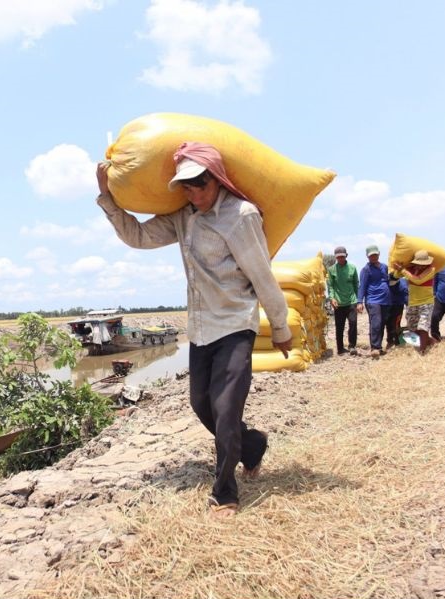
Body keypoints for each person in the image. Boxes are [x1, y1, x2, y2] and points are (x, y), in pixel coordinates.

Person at [95, 142, 293, 518]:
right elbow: (138, 236)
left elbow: (261, 274)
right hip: (201, 329)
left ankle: (225, 493)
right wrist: (107, 197)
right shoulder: (183, 216)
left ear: (217, 179)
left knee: (226, 408)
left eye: (200, 184)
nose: (194, 193)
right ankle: (252, 446)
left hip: (235, 324)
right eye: (186, 187)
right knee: (201, 404)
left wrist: (280, 326)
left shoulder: (241, 216)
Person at [391, 250, 438, 354]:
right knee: (413, 328)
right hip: (413, 302)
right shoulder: (410, 269)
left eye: (423, 264)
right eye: (418, 264)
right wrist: (399, 268)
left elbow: (418, 280)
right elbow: (396, 275)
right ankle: (433, 342)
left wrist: (402, 270)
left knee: (423, 326)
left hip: (426, 302)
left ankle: (422, 351)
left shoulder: (431, 269)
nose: (420, 266)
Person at [357, 244, 392, 358]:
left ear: (379, 254)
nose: (374, 257)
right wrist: (359, 302)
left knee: (382, 323)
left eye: (375, 255)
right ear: (367, 256)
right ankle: (375, 348)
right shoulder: (366, 270)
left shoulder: (385, 267)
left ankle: (379, 347)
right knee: (376, 323)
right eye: (371, 255)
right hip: (373, 299)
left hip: (386, 300)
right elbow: (362, 286)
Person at [327, 246, 359, 356]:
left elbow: (356, 284)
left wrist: (358, 301)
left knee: (353, 324)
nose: (340, 259)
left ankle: (352, 346)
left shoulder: (352, 268)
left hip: (351, 301)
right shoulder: (331, 270)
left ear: (346, 256)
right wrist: (332, 298)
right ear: (336, 257)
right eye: (338, 257)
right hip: (338, 303)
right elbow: (330, 286)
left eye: (342, 257)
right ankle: (340, 348)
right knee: (339, 326)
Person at [386, 275, 408, 349]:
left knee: (396, 324)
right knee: (388, 323)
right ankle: (390, 341)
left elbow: (406, 298)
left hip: (398, 305)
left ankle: (399, 343)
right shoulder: (387, 281)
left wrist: (409, 308)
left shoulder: (403, 285)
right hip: (388, 304)